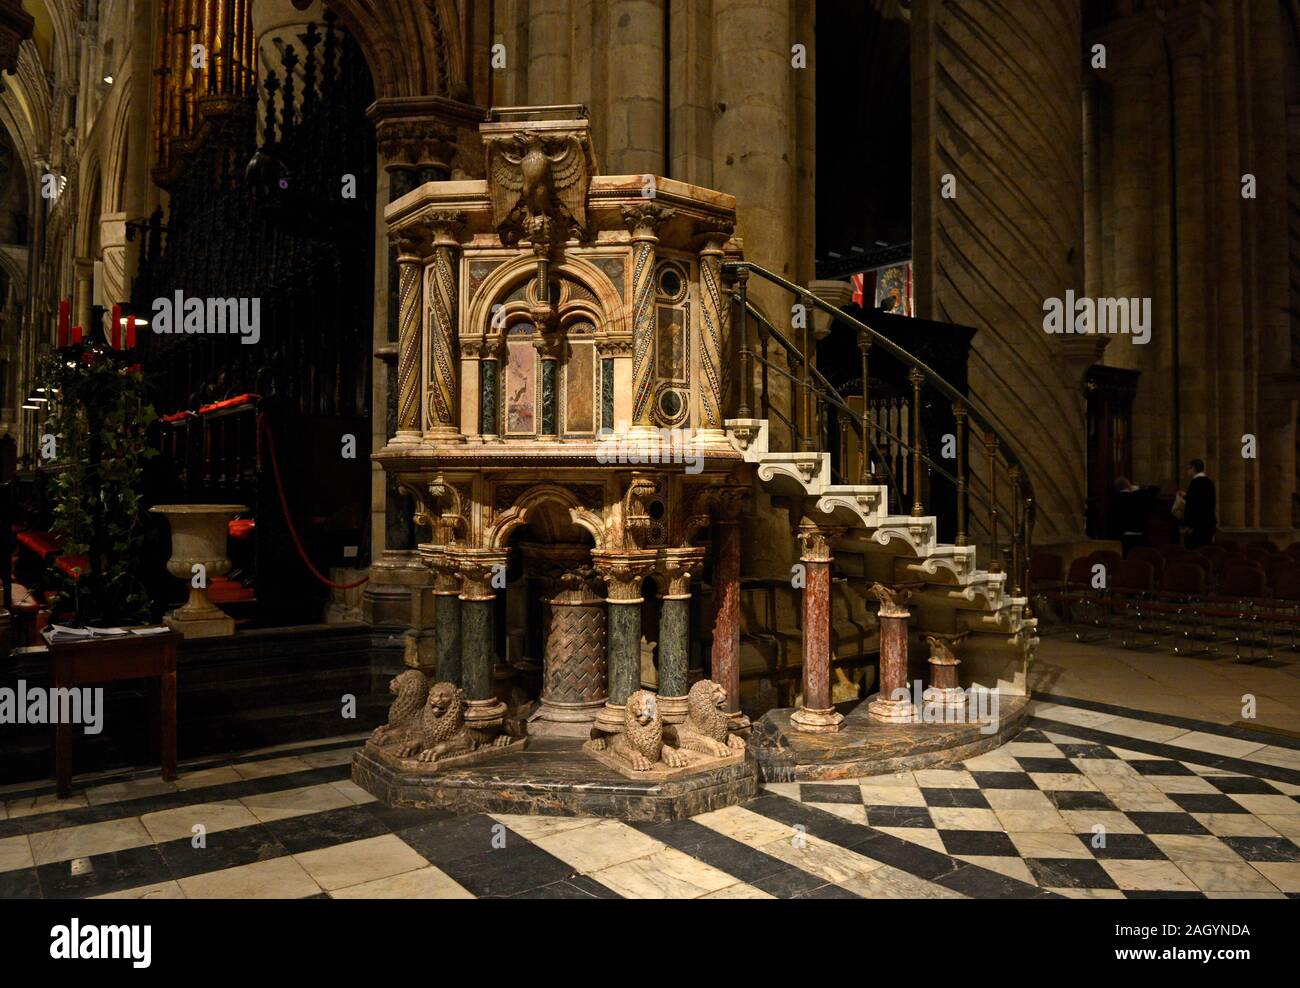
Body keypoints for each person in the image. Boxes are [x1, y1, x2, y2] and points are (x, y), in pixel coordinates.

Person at [1178, 459, 1217, 549]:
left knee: (1193, 552)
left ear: (1194, 468)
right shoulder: (1209, 482)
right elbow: (1203, 501)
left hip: (1196, 526)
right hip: (1209, 524)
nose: (1187, 471)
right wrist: (1186, 496)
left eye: (1189, 469)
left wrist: (1188, 525)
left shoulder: (1195, 483)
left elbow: (1193, 506)